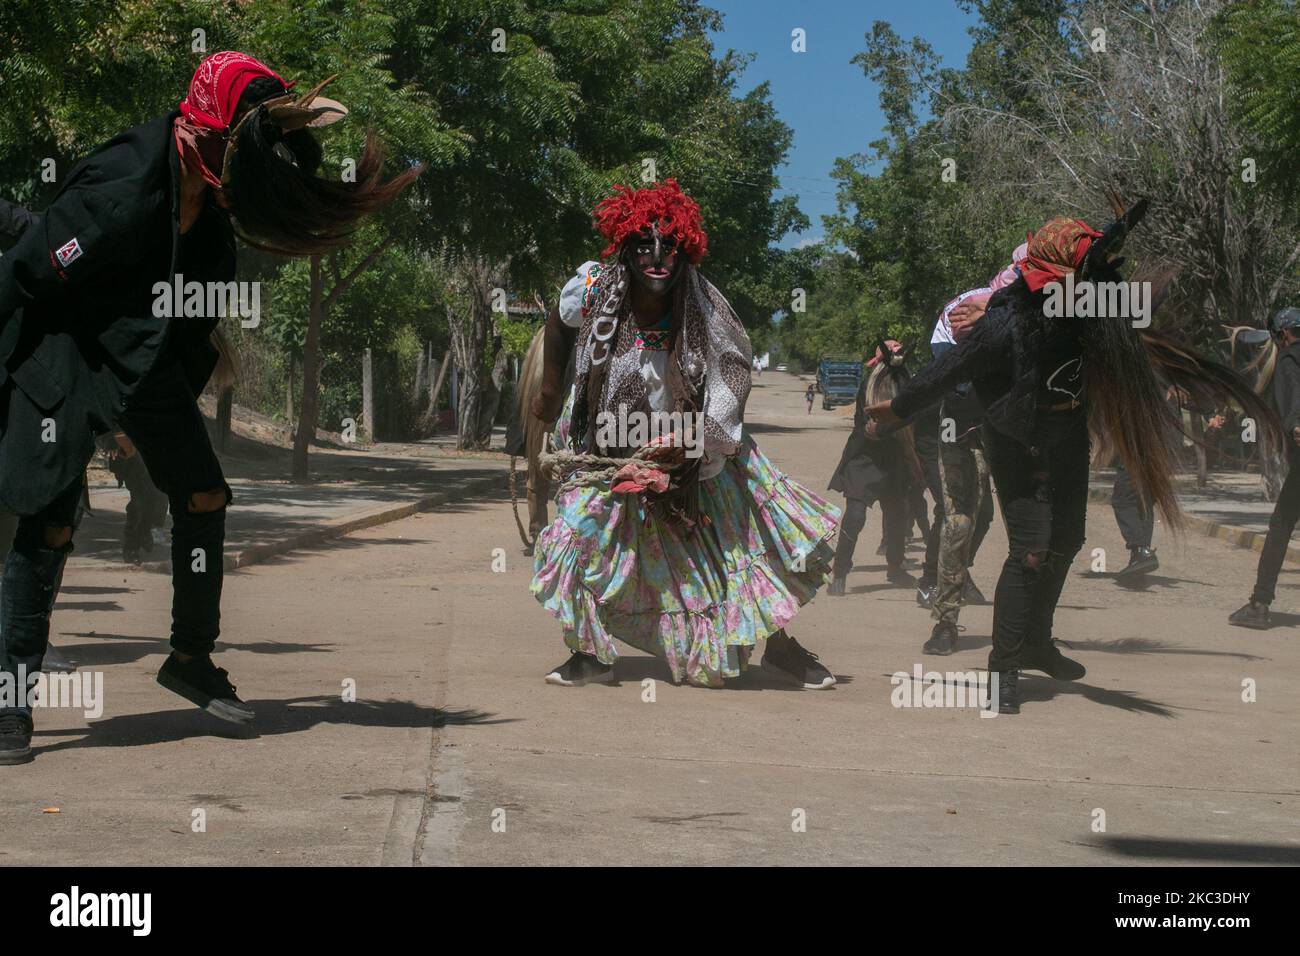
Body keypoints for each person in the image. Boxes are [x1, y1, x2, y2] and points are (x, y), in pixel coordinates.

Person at [0, 51, 419, 765]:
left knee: (202, 494)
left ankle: (189, 658)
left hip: (143, 358)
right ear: (198, 132)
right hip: (66, 347)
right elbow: (28, 274)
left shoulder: (214, 223)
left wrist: (141, 424)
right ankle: (10, 706)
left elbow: (185, 329)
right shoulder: (121, 189)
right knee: (48, 522)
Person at [868, 207, 1276, 714]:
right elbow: (948, 372)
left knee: (1068, 539)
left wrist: (1105, 246)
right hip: (1016, 442)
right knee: (1031, 550)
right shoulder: (1004, 323)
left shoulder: (1085, 311)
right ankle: (1004, 668)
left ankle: (1038, 641)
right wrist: (897, 410)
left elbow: (1130, 299)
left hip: (1066, 435)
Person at [529, 180, 839, 690]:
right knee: (576, 535)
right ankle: (589, 655)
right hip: (607, 441)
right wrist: (548, 386)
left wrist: (694, 442)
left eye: (669, 246)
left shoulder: (705, 306)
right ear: (624, 250)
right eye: (643, 245)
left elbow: (733, 372)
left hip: (695, 443)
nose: (656, 257)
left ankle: (782, 649)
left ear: (685, 252)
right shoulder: (591, 289)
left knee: (740, 545)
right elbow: (560, 323)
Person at [921, 286, 998, 655]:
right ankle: (946, 620)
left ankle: (1033, 629)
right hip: (964, 427)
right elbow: (949, 377)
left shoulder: (1047, 301)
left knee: (987, 517)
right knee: (960, 520)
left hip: (1013, 425)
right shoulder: (970, 305)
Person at [828, 341, 917, 594]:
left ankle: (896, 568)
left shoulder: (907, 386)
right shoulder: (868, 387)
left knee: (897, 517)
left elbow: (909, 415)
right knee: (855, 516)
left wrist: (888, 432)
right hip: (864, 460)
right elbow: (865, 424)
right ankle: (840, 571)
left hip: (894, 460)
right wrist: (877, 431)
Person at [1230, 306, 1300, 628]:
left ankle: (1259, 604)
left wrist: (1295, 424)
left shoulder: (1289, 358)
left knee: (1281, 526)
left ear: (1284, 334)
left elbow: (1292, 407)